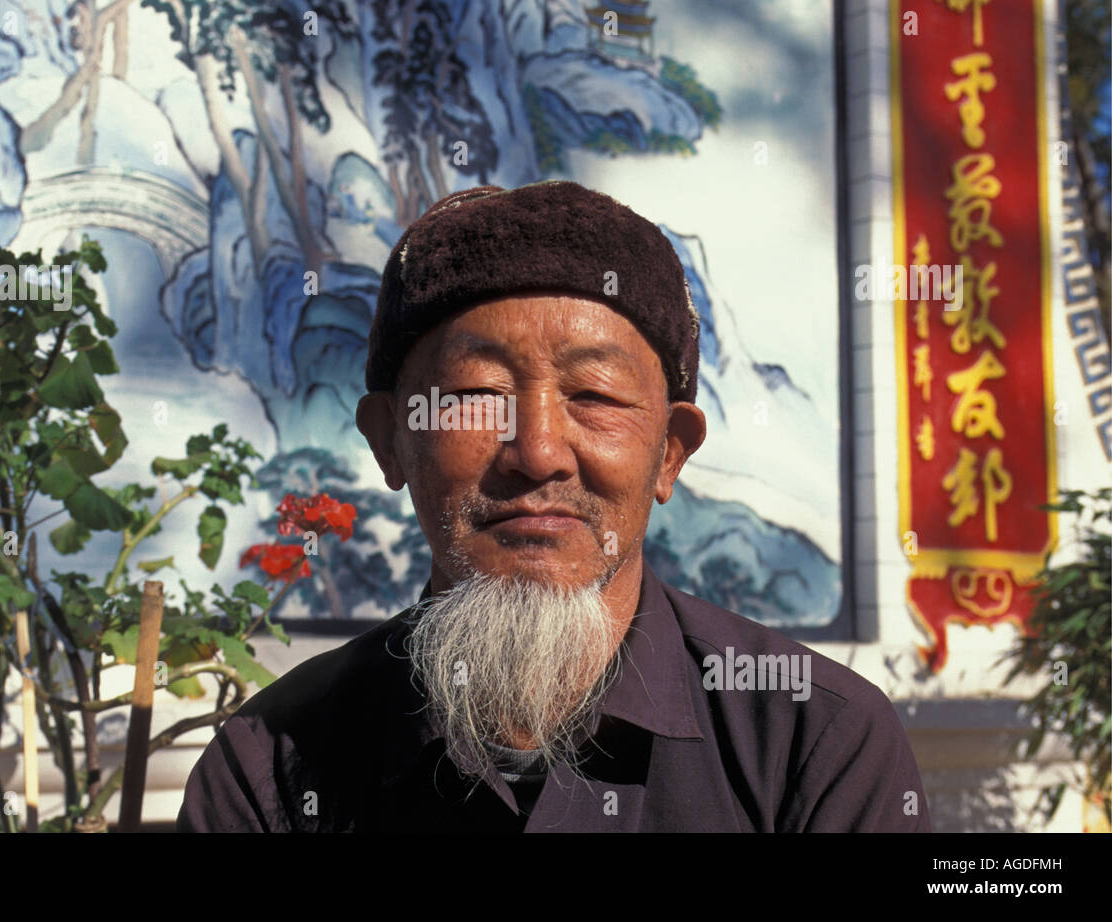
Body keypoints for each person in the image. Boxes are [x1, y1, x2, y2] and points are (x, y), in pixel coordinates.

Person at [176, 180, 932, 832]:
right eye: (477, 397)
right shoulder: (272, 768)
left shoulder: (814, 743)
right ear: (391, 442)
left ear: (670, 451)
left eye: (595, 396)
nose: (537, 451)